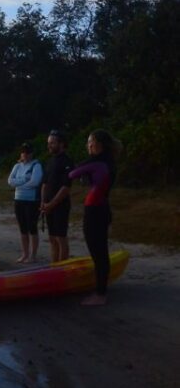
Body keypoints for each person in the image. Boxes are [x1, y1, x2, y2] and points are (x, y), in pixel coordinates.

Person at [69, 129, 121, 306]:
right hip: (100, 209)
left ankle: (100, 294)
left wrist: (81, 170)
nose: (88, 146)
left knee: (98, 253)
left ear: (99, 145)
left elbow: (72, 174)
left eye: (90, 142)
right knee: (100, 252)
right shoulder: (107, 162)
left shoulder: (98, 163)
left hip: (96, 212)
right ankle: (101, 289)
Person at [40, 130, 74, 262]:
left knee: (61, 238)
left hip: (60, 206)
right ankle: (54, 267)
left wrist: (51, 204)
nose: (49, 145)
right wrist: (43, 203)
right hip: (48, 206)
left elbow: (66, 187)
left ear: (61, 144)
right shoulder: (50, 161)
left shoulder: (67, 162)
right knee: (52, 238)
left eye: (52, 143)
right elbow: (44, 184)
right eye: (48, 143)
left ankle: (63, 268)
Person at [7, 142, 43, 263]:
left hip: (31, 201)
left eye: (27, 152)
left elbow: (35, 182)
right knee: (22, 228)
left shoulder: (36, 166)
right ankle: (25, 254)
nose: (25, 155)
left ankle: (33, 255)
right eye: (23, 152)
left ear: (32, 153)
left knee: (32, 228)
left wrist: (19, 184)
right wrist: (24, 180)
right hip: (19, 199)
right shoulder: (17, 166)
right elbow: (10, 181)